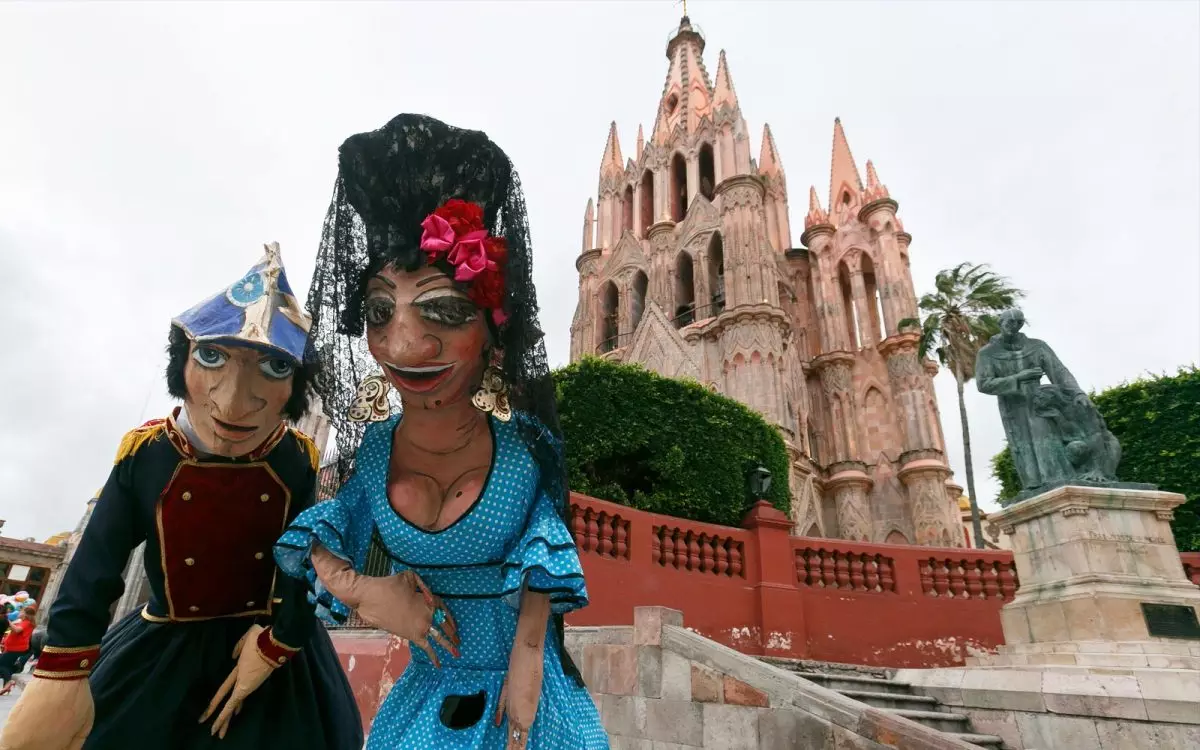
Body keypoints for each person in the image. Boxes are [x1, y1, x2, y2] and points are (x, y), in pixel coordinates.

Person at [274, 113, 609, 750]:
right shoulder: (373, 453)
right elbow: (322, 533)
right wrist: (366, 592)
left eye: (444, 311)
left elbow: (546, 553)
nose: (401, 344)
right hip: (424, 705)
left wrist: (530, 654)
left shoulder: (523, 452)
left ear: (493, 333)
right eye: (379, 312)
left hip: (524, 709)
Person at [0, 244, 362, 750]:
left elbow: (304, 564)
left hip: (266, 654)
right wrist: (60, 672)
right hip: (162, 651)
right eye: (212, 357)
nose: (236, 401)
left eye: (275, 369)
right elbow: (94, 568)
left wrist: (280, 641)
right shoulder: (147, 453)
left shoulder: (296, 459)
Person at [0, 607, 37, 696]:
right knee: (6, 666)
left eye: (21, 611)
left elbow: (17, 630)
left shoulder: (26, 623)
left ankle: (9, 682)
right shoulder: (23, 622)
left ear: (26, 614)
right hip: (13, 648)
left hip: (16, 648)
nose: (19, 612)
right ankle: (7, 685)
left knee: (1, 664)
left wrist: (8, 621)